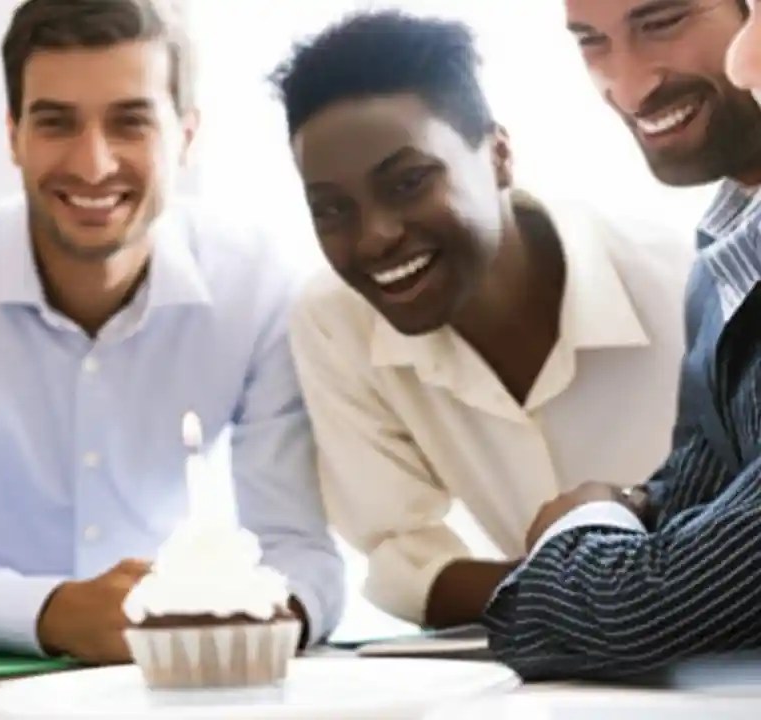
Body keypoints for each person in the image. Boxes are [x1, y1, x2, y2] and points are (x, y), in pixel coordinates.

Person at [0, 0, 344, 663]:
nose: (93, 165)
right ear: (13, 135)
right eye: (56, 123)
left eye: (130, 123)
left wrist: (254, 617)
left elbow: (299, 550)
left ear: (186, 135)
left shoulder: (258, 287)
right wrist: (55, 613)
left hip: (182, 672)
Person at [272, 11, 692, 630]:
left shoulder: (683, 286)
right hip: (559, 663)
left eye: (408, 182)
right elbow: (403, 557)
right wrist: (582, 594)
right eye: (332, 210)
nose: (374, 237)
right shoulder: (336, 321)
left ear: (498, 156)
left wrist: (575, 591)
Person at [479, 0, 761, 680]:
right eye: (590, 41)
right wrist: (623, 513)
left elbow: (642, 610)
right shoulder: (725, 262)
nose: (628, 88)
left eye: (663, 22)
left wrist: (580, 529)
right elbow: (692, 499)